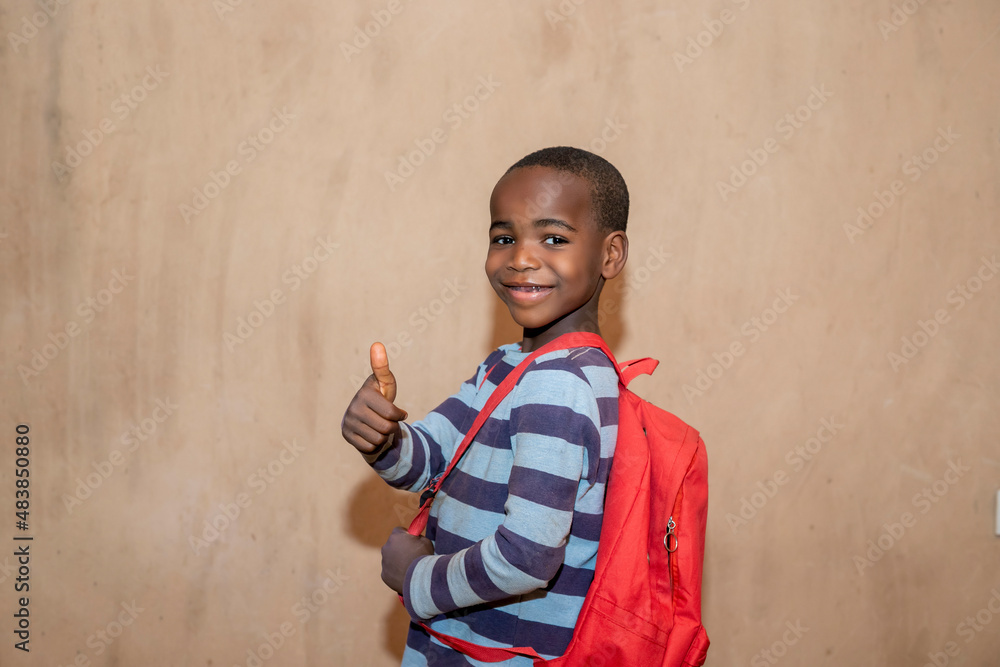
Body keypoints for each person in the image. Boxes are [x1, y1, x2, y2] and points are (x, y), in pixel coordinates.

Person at [341, 146, 630, 665]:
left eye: (554, 238)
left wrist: (415, 578)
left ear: (610, 255)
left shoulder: (558, 385)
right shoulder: (510, 365)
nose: (520, 256)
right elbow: (430, 463)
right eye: (504, 237)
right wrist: (384, 438)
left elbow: (527, 558)